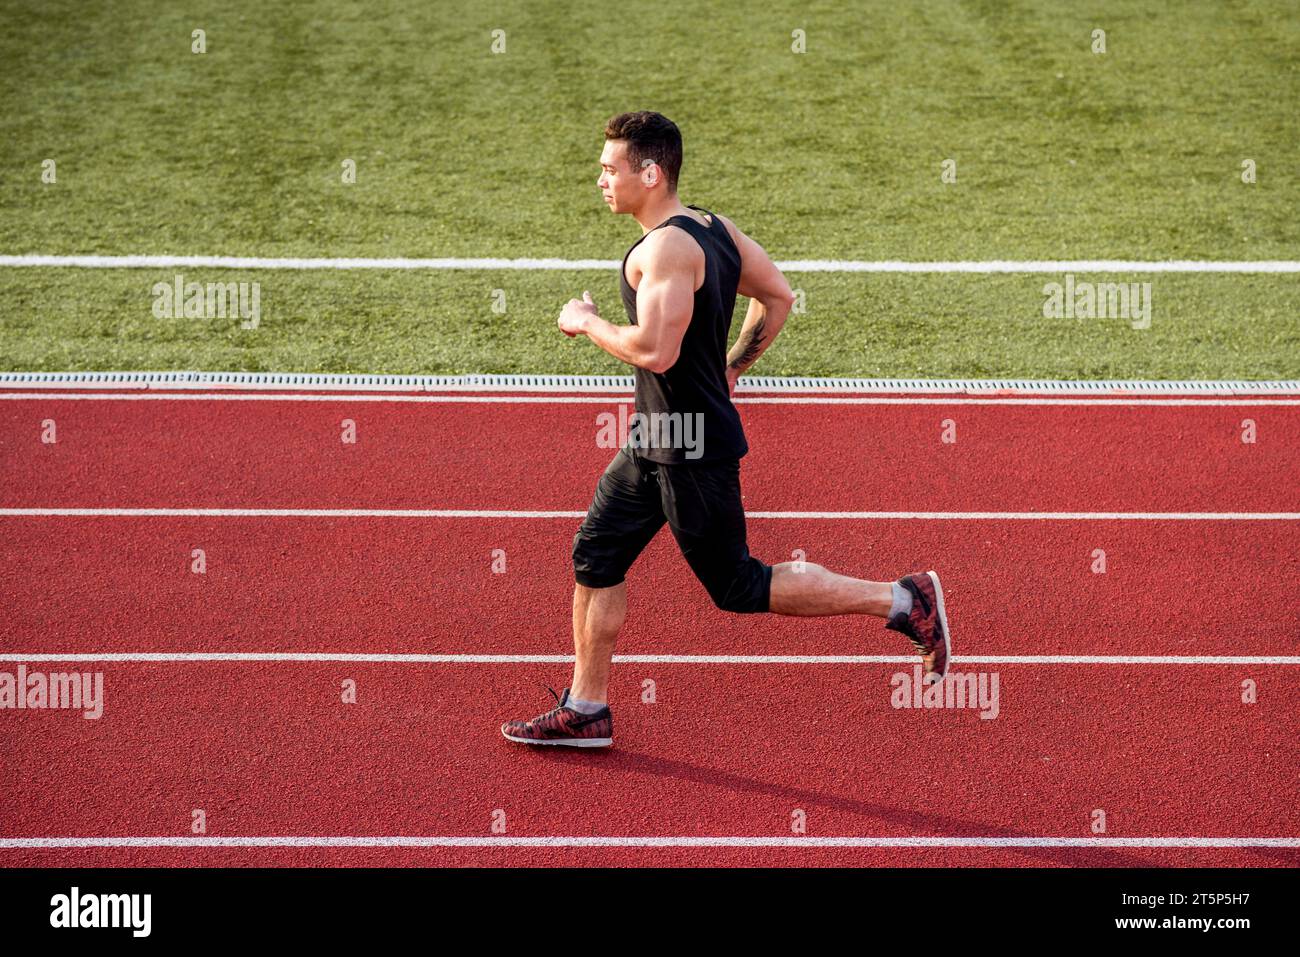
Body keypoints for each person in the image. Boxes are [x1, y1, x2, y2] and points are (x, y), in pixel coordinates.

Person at [501, 111, 949, 748]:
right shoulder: (715, 229)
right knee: (596, 557)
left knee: (739, 585)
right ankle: (587, 707)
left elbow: (654, 351)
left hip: (691, 445)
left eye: (610, 169)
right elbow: (780, 297)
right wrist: (731, 367)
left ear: (649, 174)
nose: (600, 179)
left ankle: (903, 601)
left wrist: (584, 322)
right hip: (653, 440)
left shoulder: (665, 249)